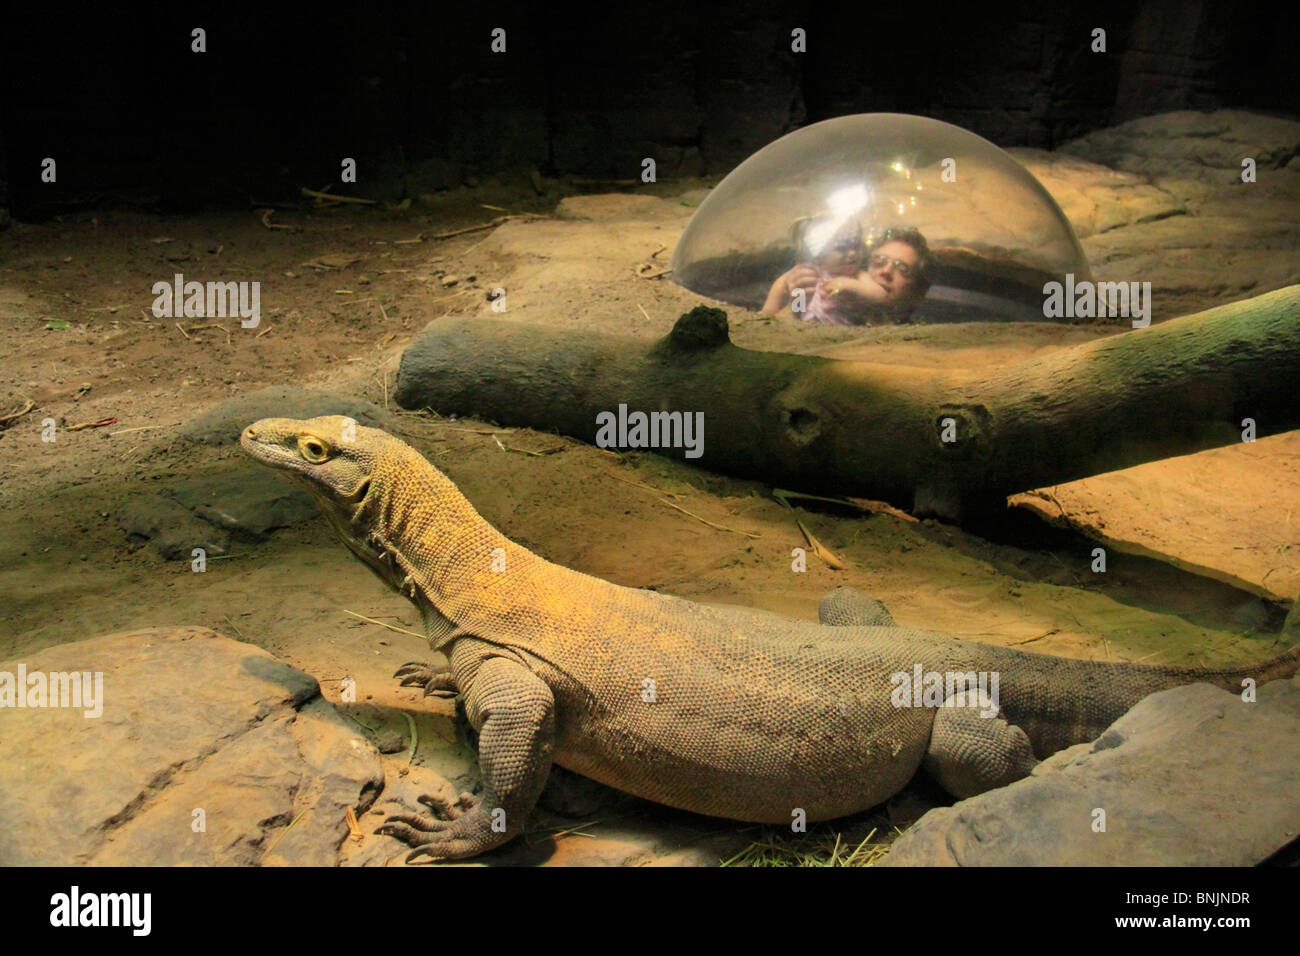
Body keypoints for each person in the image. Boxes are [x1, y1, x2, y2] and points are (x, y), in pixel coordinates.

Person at [763, 221, 933, 324]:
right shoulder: (807, 275)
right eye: (879, 261)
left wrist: (851, 286)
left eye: (902, 269)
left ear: (919, 294)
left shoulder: (857, 282)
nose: (886, 271)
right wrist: (794, 304)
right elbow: (763, 324)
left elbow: (880, 296)